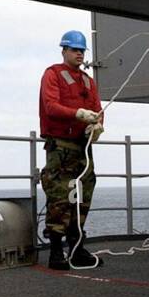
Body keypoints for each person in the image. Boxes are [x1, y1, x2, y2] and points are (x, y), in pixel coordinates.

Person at [38, 30, 104, 270]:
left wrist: (97, 126)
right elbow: (50, 106)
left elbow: (98, 109)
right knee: (59, 197)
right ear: (63, 50)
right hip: (60, 147)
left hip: (82, 148)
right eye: (74, 49)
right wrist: (77, 114)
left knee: (83, 196)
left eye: (82, 50)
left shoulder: (88, 81)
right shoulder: (52, 74)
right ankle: (56, 251)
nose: (79, 53)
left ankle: (76, 248)